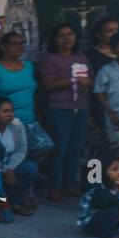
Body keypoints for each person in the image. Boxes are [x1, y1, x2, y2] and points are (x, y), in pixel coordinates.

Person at [39, 22, 92, 200]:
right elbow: (49, 85)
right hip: (59, 109)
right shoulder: (50, 58)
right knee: (59, 149)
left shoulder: (81, 56)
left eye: (70, 34)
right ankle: (55, 186)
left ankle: (70, 185)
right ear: (54, 39)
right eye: (61, 35)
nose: (66, 38)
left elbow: (91, 81)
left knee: (75, 149)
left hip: (81, 108)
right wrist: (74, 80)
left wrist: (87, 83)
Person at [0, 97, 38, 221]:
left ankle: (15, 202)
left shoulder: (17, 125)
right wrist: (3, 170)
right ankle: (1, 206)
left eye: (11, 111)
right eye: (5, 111)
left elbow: (22, 150)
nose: (9, 114)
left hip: (10, 162)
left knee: (30, 169)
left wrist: (9, 168)